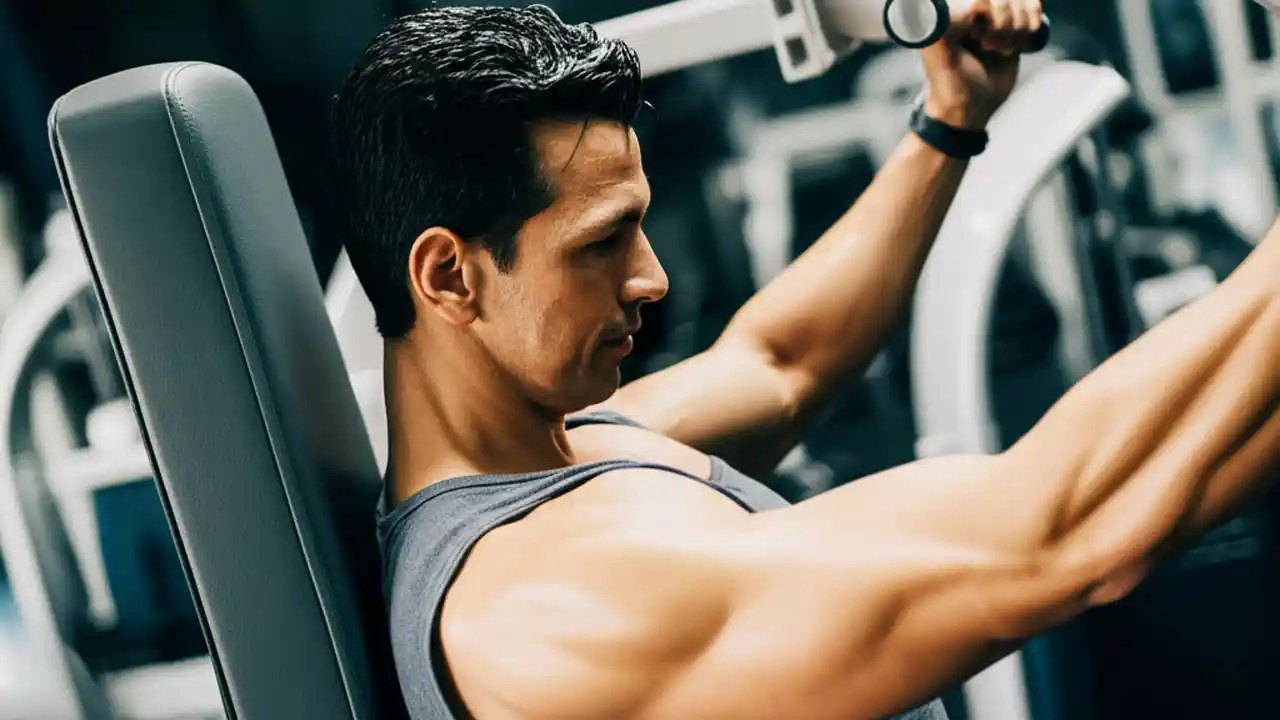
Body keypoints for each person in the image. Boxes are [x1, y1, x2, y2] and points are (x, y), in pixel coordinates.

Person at [329, 4, 1280, 718]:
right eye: (600, 243)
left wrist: (948, 121)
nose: (651, 280)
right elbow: (1063, 537)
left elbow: (784, 359)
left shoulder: (560, 449)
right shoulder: (544, 608)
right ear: (449, 274)